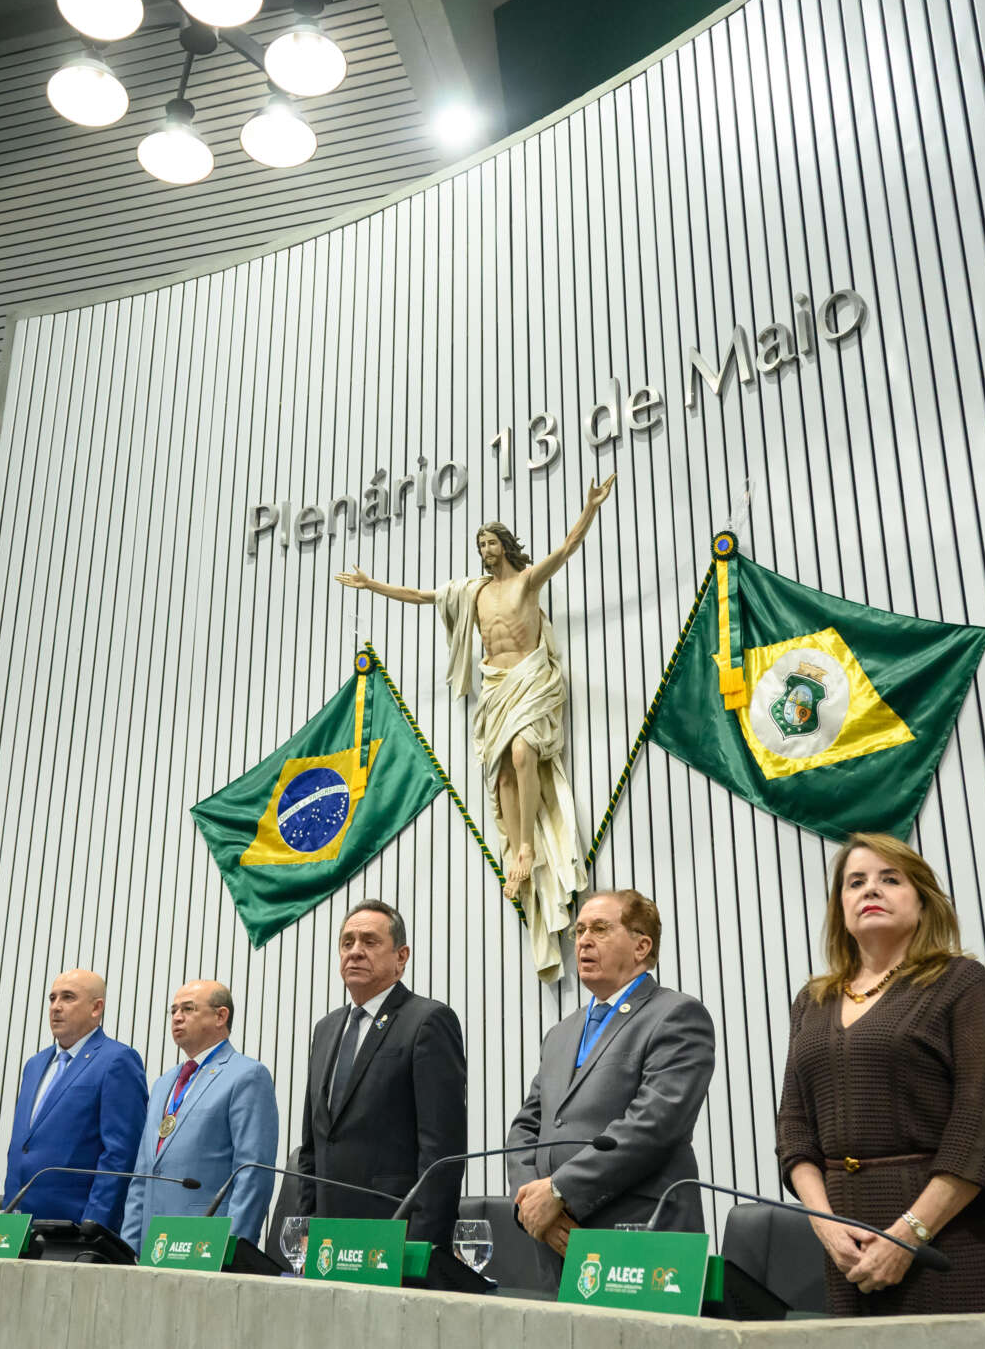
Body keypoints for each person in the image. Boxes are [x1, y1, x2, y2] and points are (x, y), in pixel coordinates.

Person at [335, 477, 615, 978]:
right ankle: (516, 845)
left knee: (526, 754)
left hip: (528, 677)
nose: (484, 552)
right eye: (479, 545)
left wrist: (589, 507)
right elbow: (422, 596)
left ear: (505, 546)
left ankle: (527, 845)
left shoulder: (526, 581)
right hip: (494, 685)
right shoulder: (472, 593)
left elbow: (568, 548)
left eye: (490, 543)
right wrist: (373, 585)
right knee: (503, 773)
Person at [775, 834, 985, 1315]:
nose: (870, 890)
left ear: (923, 900)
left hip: (950, 1238)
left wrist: (910, 1234)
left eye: (889, 879)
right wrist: (825, 1224)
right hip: (847, 1243)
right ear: (841, 908)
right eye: (856, 883)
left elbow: (983, 1124)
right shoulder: (812, 1002)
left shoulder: (960, 983)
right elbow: (793, 1125)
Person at [507, 889, 715, 1290]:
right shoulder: (561, 1033)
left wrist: (559, 1191)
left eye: (600, 928)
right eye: (579, 930)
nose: (583, 940)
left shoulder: (676, 1015)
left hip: (637, 1241)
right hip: (557, 1243)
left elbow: (654, 1124)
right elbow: (525, 1129)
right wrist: (532, 1207)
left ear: (642, 945)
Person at [296, 900, 467, 1248]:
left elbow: (442, 1152)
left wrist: (422, 1244)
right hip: (326, 1237)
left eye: (369, 942)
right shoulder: (326, 1029)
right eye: (347, 943)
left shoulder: (427, 1021)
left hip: (392, 1234)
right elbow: (314, 1142)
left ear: (401, 958)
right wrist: (306, 1223)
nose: (355, 952)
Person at [121, 979, 279, 1251]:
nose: (177, 1018)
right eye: (173, 1011)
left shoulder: (247, 1076)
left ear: (221, 1016)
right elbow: (144, 1173)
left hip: (204, 1244)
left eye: (188, 1009)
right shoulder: (162, 1084)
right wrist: (127, 1248)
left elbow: (252, 1173)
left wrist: (231, 1249)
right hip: (151, 1245)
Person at [4, 968, 148, 1230]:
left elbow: (120, 1154)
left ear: (96, 1008)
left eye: (68, 997)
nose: (56, 1007)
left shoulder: (117, 1060)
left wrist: (94, 1225)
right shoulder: (35, 1064)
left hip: (73, 1225)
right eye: (52, 998)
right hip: (17, 1222)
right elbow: (23, 1146)